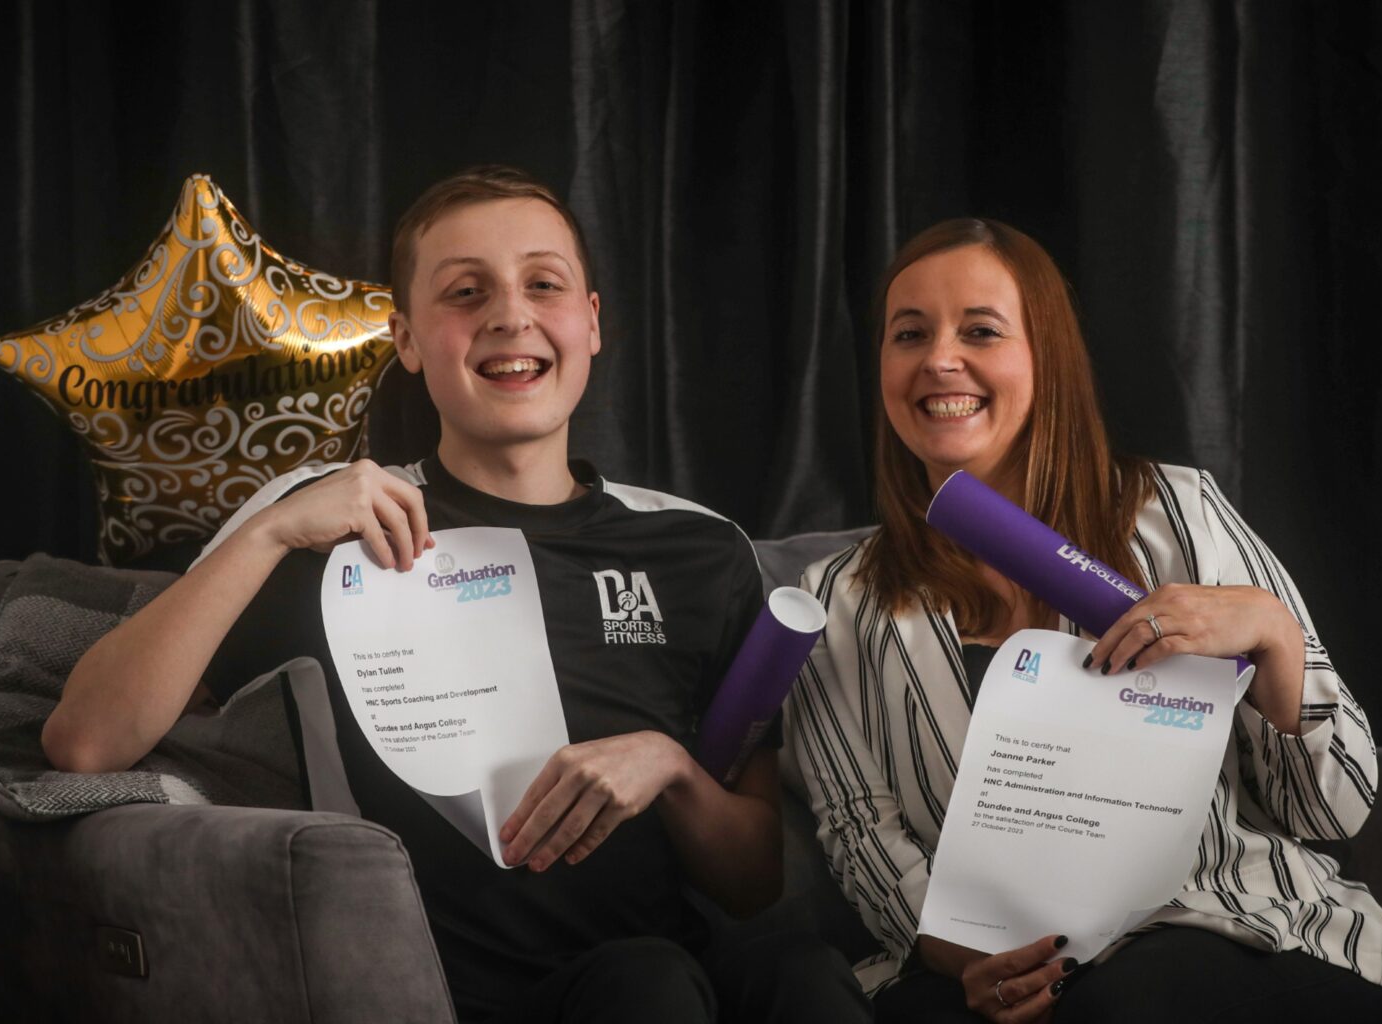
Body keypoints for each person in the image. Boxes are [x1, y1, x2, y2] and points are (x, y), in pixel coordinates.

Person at [42, 166, 870, 1024]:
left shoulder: (700, 548)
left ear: (590, 323)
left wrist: (669, 764)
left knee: (801, 976)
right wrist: (272, 530)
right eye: (466, 292)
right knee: (644, 982)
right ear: (404, 339)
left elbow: (751, 882)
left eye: (542, 284)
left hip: (673, 981)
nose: (510, 315)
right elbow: (85, 741)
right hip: (457, 996)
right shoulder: (335, 522)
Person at [786, 217, 1382, 1023]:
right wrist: (971, 959)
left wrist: (1270, 633)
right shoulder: (839, 598)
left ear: (1046, 357)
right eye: (908, 333)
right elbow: (861, 832)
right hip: (999, 968)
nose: (939, 358)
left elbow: (1331, 807)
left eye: (980, 330)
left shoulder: (1178, 515)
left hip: (1229, 930)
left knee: (1129, 1002)